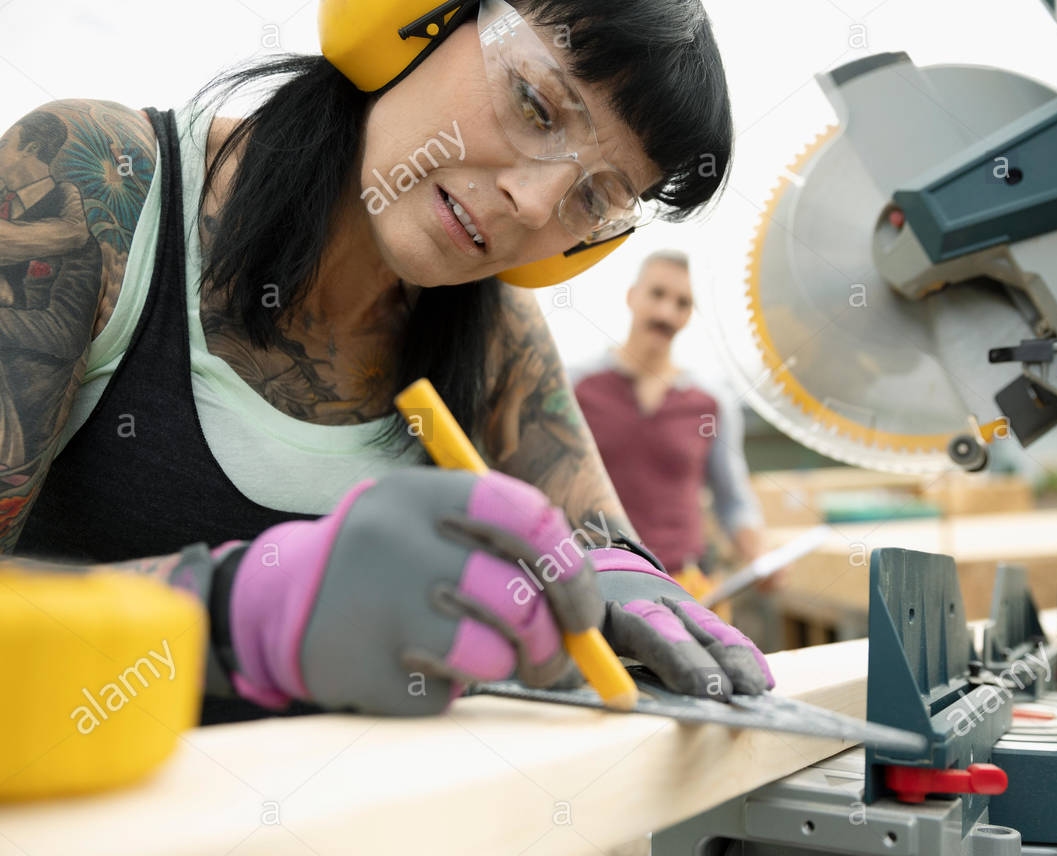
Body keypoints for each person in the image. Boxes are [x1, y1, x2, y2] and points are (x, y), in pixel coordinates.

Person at [0, 0, 773, 723]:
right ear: (414, 20)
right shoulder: (88, 189)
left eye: (592, 198)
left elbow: (595, 538)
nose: (535, 205)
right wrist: (240, 613)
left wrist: (620, 577)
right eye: (536, 106)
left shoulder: (497, 330)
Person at [571, 251, 778, 594]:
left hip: (685, 589)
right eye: (657, 295)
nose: (667, 312)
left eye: (682, 303)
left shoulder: (711, 404)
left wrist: (760, 556)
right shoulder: (576, 389)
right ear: (631, 295)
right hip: (592, 588)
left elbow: (733, 500)